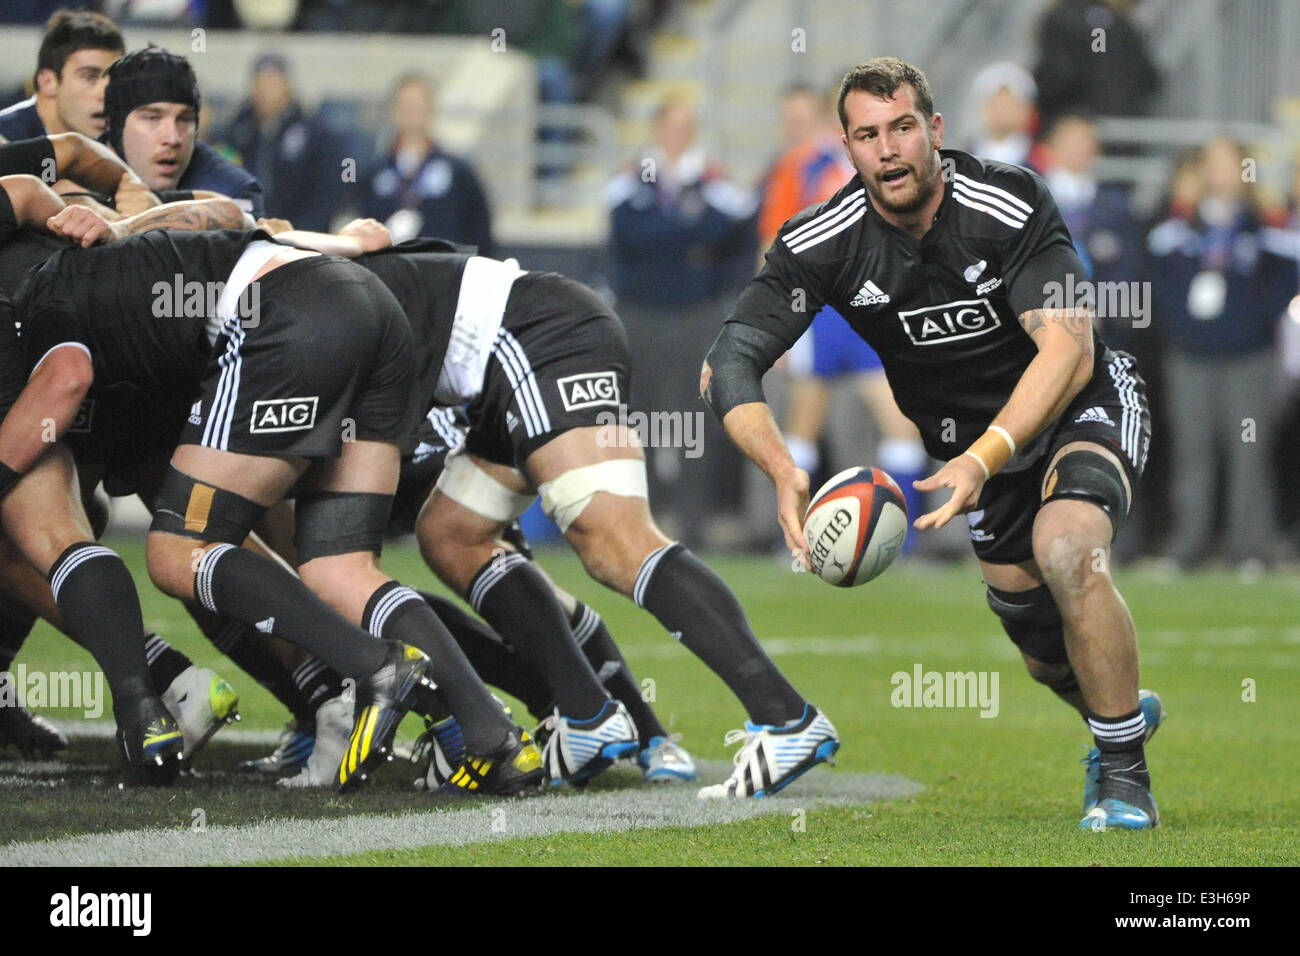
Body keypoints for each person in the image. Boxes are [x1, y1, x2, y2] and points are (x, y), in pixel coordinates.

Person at [703, 57, 1164, 829]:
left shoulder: (1008, 201)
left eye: (903, 128)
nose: (888, 149)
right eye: (866, 135)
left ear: (934, 131)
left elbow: (1068, 349)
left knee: (1067, 546)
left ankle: (1123, 777)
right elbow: (726, 366)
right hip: (972, 455)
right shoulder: (825, 240)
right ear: (848, 148)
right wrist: (784, 468)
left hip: (1079, 407)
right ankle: (1118, 709)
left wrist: (983, 458)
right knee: (1044, 655)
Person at [8, 211, 543, 796]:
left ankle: (375, 667)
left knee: (176, 551)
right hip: (369, 308)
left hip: (285, 315)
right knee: (343, 570)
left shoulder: (33, 288)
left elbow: (65, 379)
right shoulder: (124, 267)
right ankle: (496, 741)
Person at [347, 241, 837, 797]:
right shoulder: (303, 277)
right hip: (503, 359)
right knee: (452, 533)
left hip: (534, 335)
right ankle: (584, 716)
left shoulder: (299, 290)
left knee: (614, 542)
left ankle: (785, 717)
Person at [760, 82, 927, 549]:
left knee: (901, 423)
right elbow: (775, 246)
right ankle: (790, 538)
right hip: (822, 314)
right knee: (803, 424)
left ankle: (904, 541)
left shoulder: (893, 165)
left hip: (875, 311)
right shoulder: (800, 168)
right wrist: (776, 323)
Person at [606, 93, 756, 546]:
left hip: (696, 315)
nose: (677, 136)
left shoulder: (712, 181)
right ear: (656, 130)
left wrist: (677, 235)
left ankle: (693, 524)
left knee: (695, 417)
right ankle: (643, 520)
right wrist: (689, 235)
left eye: (685, 127)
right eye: (670, 126)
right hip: (641, 313)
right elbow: (628, 234)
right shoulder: (634, 178)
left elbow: (735, 235)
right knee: (641, 417)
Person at [1147, 137, 1298, 572]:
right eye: (1212, 164)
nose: (1221, 173)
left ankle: (1249, 548)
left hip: (1249, 359)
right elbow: (1158, 292)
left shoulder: (1266, 231)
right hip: (1190, 358)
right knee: (1192, 451)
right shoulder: (1175, 231)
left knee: (1248, 450)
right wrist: (1186, 331)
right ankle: (1188, 546)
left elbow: (1283, 289)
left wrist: (1247, 324)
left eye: (1230, 164)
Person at [101, 45, 264, 216]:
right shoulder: (75, 175)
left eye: (184, 119)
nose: (173, 138)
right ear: (113, 124)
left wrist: (160, 212)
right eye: (152, 118)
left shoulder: (231, 188)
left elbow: (242, 225)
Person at [362, 73, 493, 254]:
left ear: (431, 108)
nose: (412, 111)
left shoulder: (458, 172)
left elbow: (480, 228)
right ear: (393, 110)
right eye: (406, 104)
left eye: (418, 104)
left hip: (444, 271)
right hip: (389, 273)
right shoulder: (374, 173)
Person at [216, 53, 343, 231]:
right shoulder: (236, 132)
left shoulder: (314, 133)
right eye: (260, 84)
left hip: (300, 233)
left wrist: (302, 233)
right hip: (247, 232)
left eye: (273, 84)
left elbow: (327, 194)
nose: (266, 92)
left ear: (287, 87)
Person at [0, 9, 123, 141]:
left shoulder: (121, 141)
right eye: (89, 77)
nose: (106, 94)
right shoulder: (6, 138)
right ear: (48, 82)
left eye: (115, 78)